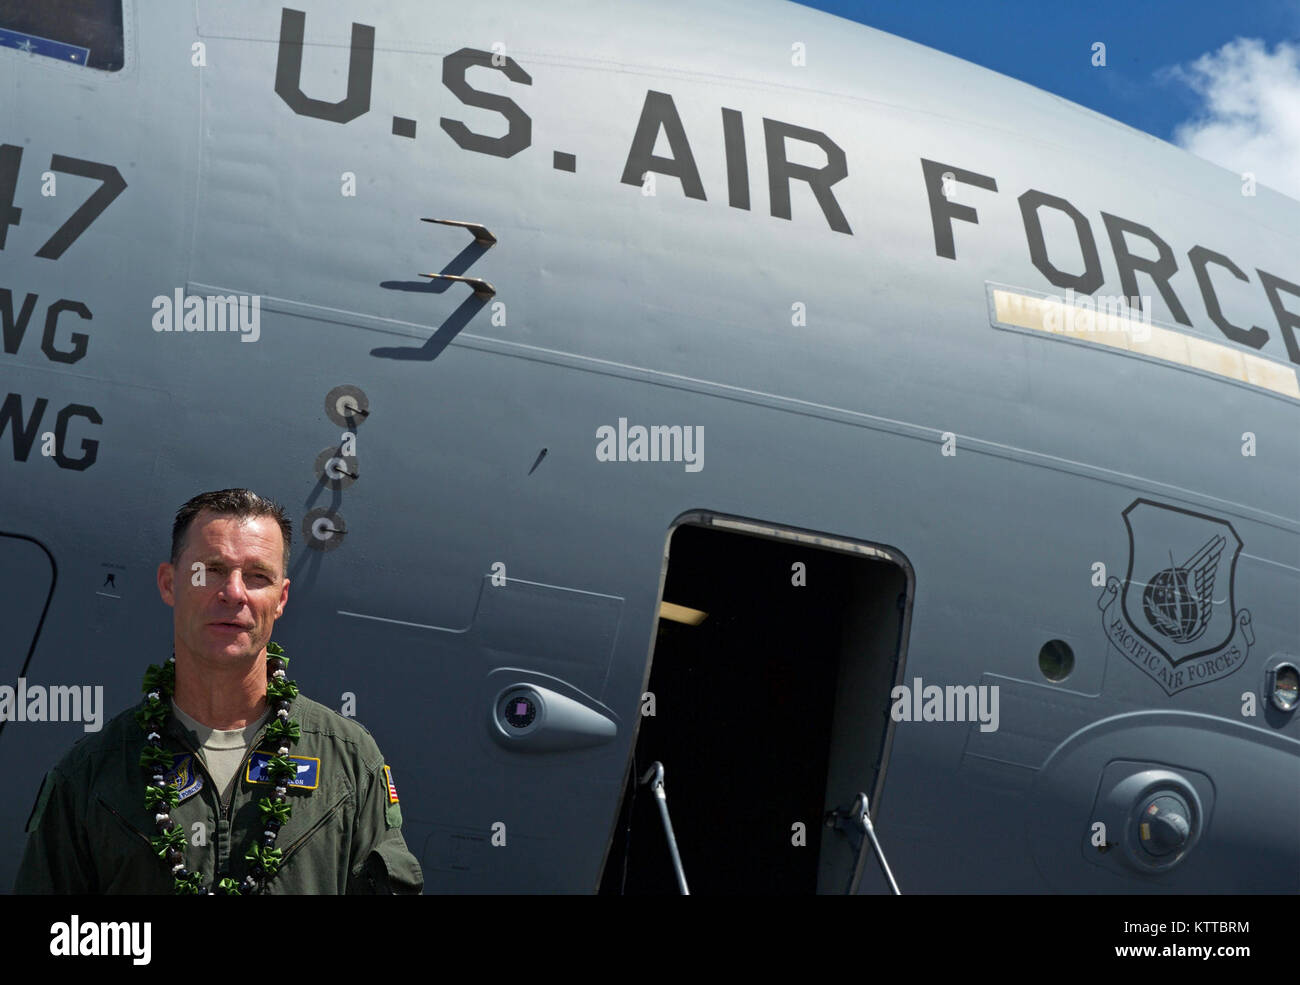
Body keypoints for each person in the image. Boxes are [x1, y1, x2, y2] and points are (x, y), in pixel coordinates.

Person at [14, 488, 423, 894]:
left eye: (258, 576)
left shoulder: (348, 764)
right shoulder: (93, 776)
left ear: (280, 599)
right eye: (210, 570)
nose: (234, 592)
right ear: (169, 583)